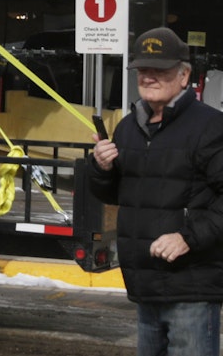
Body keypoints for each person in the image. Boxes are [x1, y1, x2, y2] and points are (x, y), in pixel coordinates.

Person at [89, 27, 223, 356]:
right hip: (145, 287)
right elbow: (118, 195)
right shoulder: (128, 127)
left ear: (184, 75)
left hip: (191, 289)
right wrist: (102, 168)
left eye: (159, 70)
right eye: (142, 70)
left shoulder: (210, 126)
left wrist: (188, 238)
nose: (148, 77)